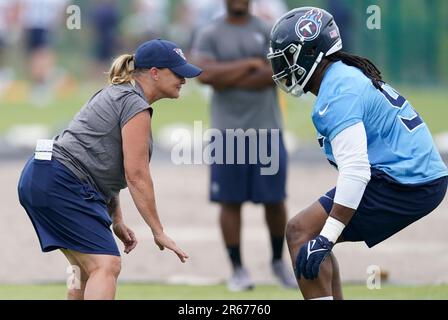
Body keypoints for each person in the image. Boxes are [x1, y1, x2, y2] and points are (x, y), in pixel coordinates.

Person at [267, 7, 448, 299]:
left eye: (287, 56)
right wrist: (325, 236)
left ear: (311, 51)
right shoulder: (342, 76)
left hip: (407, 182)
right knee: (308, 233)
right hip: (412, 173)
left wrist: (327, 236)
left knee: (302, 232)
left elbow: (356, 170)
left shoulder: (337, 92)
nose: (282, 67)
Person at [17, 39, 202, 300]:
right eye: (177, 72)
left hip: (42, 175)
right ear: (154, 73)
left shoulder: (118, 93)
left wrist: (117, 219)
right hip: (60, 181)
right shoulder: (135, 105)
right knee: (107, 264)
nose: (184, 79)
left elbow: (101, 163)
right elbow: (136, 176)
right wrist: (158, 231)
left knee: (82, 270)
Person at [191, 0, 297, 291]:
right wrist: (250, 64)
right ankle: (238, 269)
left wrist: (227, 75)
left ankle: (277, 262)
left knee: (274, 201)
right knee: (229, 202)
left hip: (267, 132)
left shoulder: (268, 30)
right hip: (227, 135)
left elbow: (275, 75)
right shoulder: (209, 32)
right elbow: (205, 75)